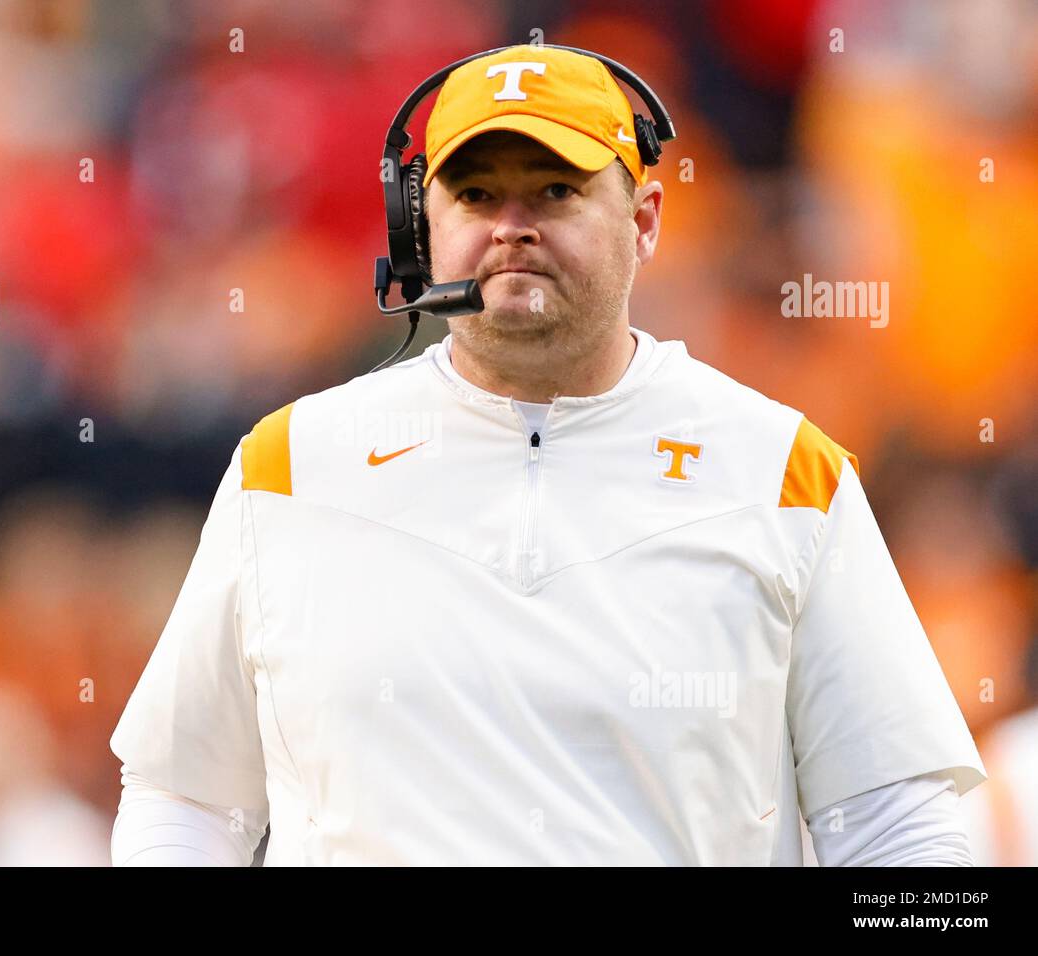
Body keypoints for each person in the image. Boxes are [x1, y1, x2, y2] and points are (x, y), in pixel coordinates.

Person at [108, 44, 984, 866]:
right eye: (477, 194)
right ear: (420, 230)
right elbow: (186, 797)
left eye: (557, 191)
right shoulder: (291, 467)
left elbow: (895, 819)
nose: (512, 227)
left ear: (644, 220)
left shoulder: (783, 469)